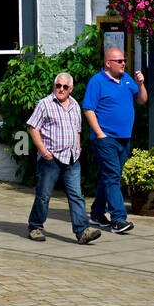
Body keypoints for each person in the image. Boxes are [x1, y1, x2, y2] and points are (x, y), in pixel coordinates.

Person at [26, 72, 101, 244]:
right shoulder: (44, 104)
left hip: (72, 158)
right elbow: (33, 128)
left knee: (76, 195)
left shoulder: (75, 104)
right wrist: (44, 152)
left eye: (65, 87)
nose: (60, 89)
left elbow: (77, 130)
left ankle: (82, 232)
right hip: (50, 159)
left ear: (71, 89)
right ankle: (35, 226)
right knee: (44, 196)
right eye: (58, 85)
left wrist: (78, 147)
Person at [84, 45, 148, 234]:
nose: (123, 63)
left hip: (124, 138)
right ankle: (119, 219)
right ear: (108, 63)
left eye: (124, 60)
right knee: (112, 176)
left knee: (110, 175)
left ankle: (96, 212)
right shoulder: (97, 81)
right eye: (119, 61)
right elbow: (88, 109)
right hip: (105, 138)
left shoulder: (127, 79)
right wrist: (100, 134)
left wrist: (141, 84)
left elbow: (142, 100)